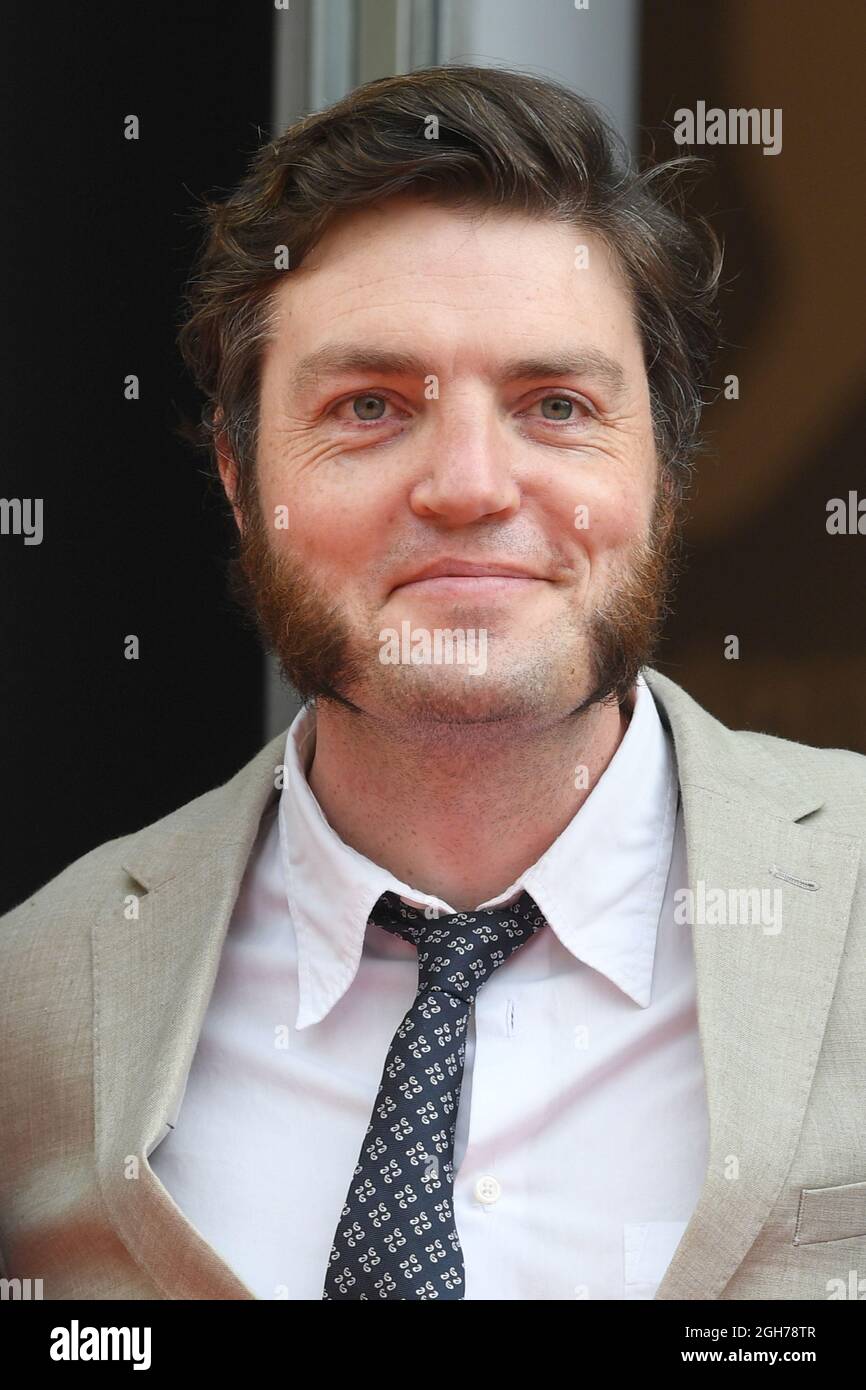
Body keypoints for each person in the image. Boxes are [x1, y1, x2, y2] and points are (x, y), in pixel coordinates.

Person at [1, 66, 863, 1302]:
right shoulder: (33, 1003)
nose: (467, 484)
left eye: (554, 404)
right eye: (367, 405)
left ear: (663, 477)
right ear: (242, 481)